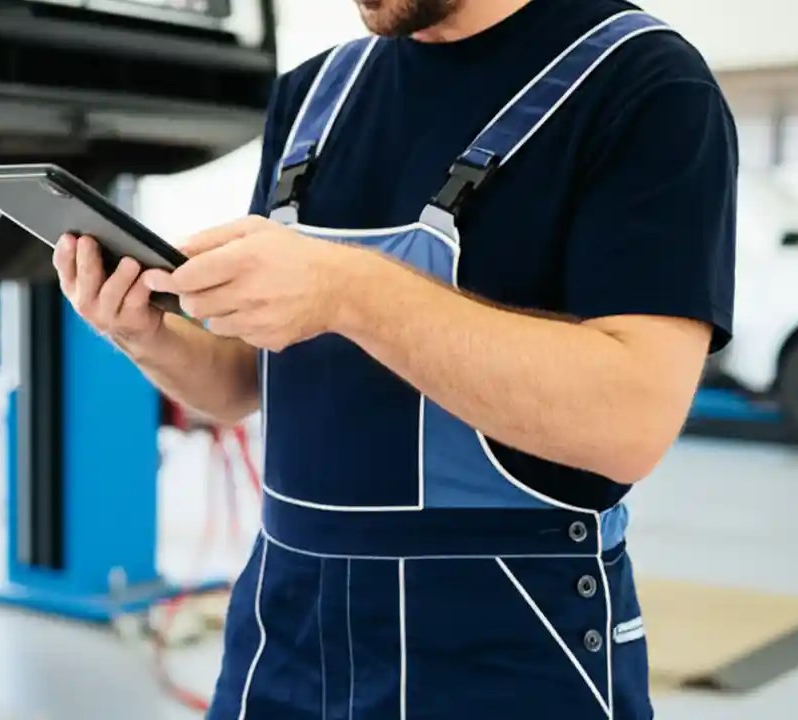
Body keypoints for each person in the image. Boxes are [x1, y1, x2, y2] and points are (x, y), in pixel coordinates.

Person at [51, 0, 737, 717]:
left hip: (506, 647)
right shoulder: (316, 97)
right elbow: (242, 381)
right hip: (284, 639)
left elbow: (628, 420)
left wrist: (351, 290)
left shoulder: (644, 84)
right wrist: (143, 331)